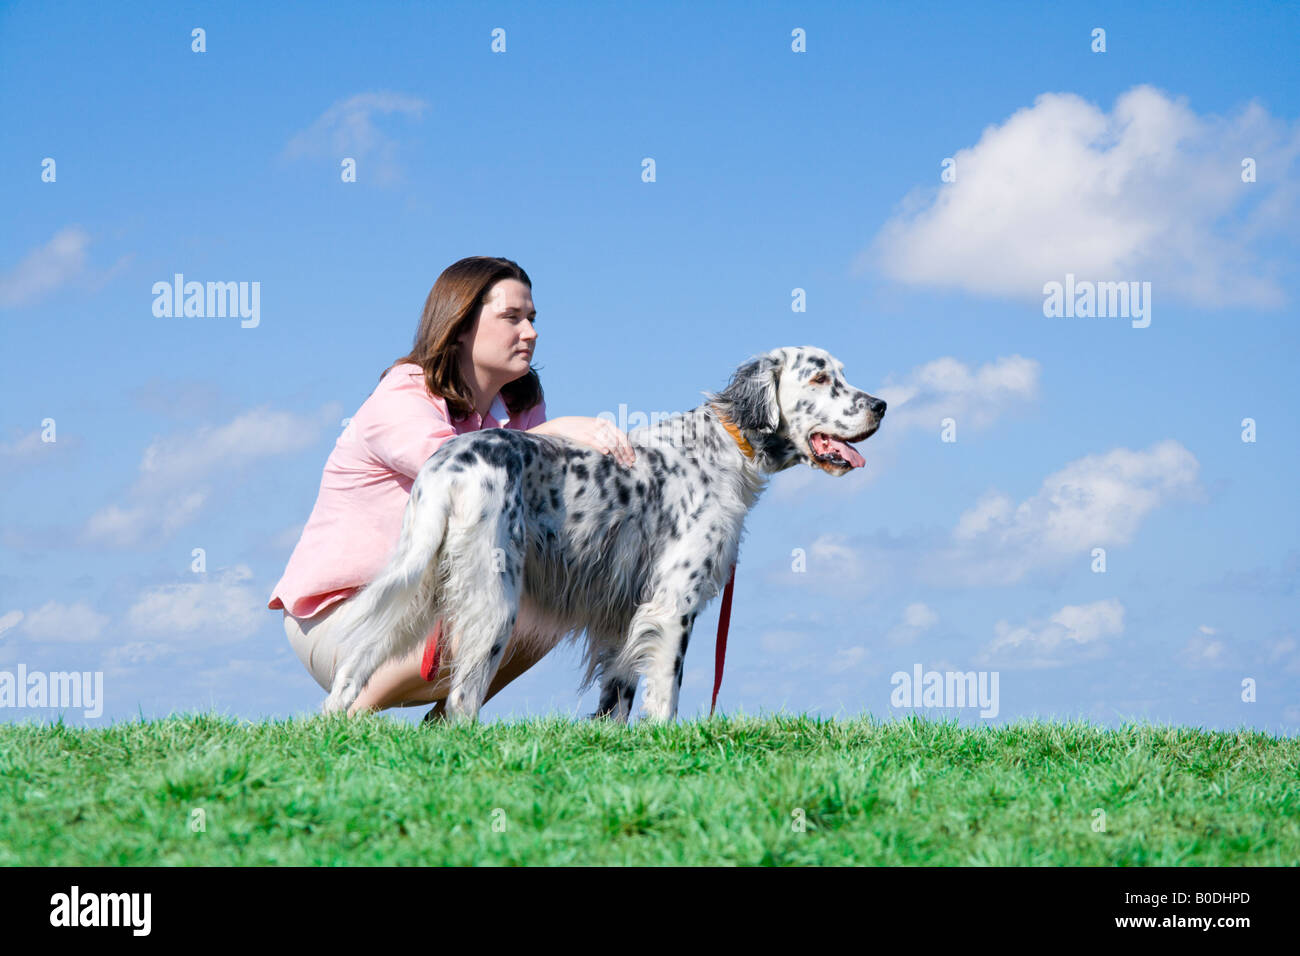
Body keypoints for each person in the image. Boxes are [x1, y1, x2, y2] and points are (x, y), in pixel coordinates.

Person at [268, 256, 635, 719]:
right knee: (507, 595)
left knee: (555, 591)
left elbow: (544, 507)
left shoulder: (518, 407)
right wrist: (553, 433)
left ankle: (448, 728)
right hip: (343, 617)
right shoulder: (403, 396)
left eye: (532, 318)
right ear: (460, 325)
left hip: (434, 606)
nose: (531, 332)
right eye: (511, 318)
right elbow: (456, 470)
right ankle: (346, 713)